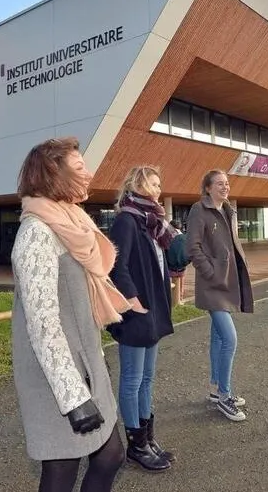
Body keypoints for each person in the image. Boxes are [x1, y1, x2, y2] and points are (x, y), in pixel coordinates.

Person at [10, 137, 128, 492]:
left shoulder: (72, 222)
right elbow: (43, 323)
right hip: (56, 375)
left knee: (109, 456)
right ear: (52, 174)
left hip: (84, 363)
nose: (89, 174)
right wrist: (73, 397)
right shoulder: (36, 234)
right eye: (79, 168)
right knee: (62, 468)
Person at [107, 165, 176, 471]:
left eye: (160, 183)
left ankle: (147, 438)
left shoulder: (152, 223)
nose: (158, 188)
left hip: (153, 311)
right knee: (133, 379)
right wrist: (133, 302)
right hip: (136, 313)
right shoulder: (126, 219)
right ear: (137, 184)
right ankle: (136, 444)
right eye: (153, 183)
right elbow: (116, 266)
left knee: (147, 378)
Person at [187, 169, 254, 422]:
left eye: (227, 183)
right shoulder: (199, 210)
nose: (225, 187)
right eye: (219, 184)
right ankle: (225, 396)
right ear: (207, 188)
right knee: (229, 339)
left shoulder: (229, 210)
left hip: (228, 282)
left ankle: (216, 390)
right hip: (212, 285)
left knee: (217, 338)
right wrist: (211, 272)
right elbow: (192, 247)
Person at [167, 220, 190, 306]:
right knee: (181, 285)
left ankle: (172, 301)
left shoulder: (169, 238)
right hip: (182, 266)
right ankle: (180, 300)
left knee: (170, 286)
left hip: (170, 267)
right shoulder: (186, 238)